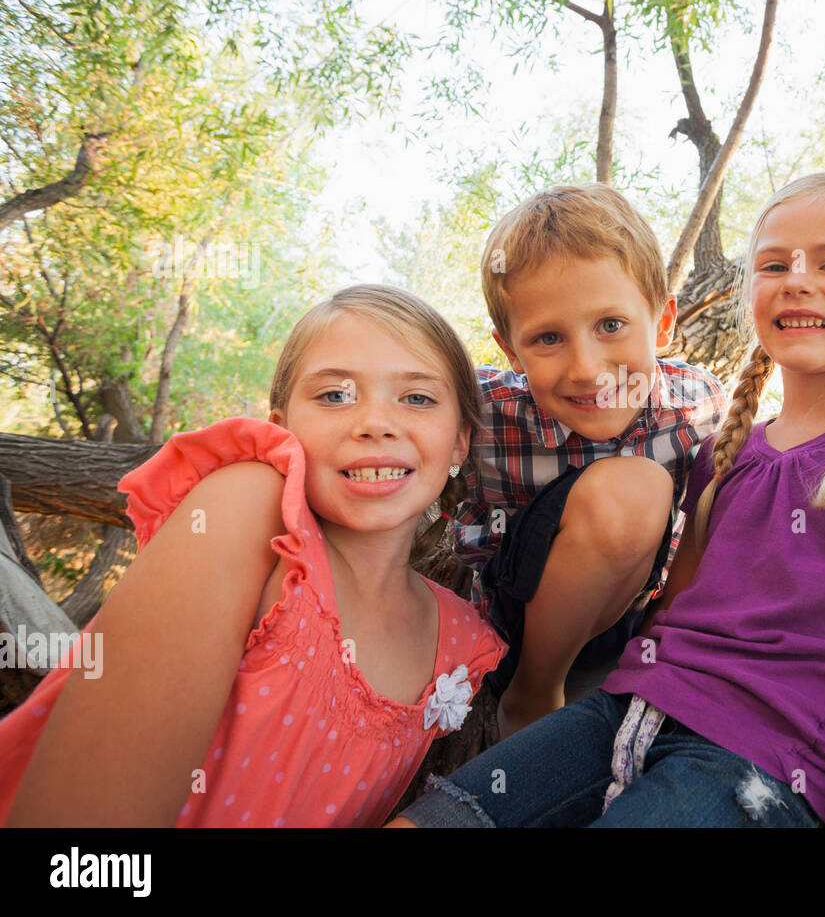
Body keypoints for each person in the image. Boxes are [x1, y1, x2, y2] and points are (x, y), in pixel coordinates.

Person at [392, 172, 825, 827]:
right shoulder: (725, 452)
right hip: (620, 714)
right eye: (774, 265)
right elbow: (671, 618)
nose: (798, 279)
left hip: (756, 763)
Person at [0, 285, 505, 826]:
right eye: (335, 395)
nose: (374, 422)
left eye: (418, 397)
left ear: (459, 441)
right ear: (281, 427)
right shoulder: (250, 515)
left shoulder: (459, 639)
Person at [455, 183, 727, 738]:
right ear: (510, 351)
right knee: (632, 490)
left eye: (611, 325)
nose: (585, 368)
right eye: (548, 338)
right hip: (516, 617)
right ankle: (530, 696)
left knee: (643, 492)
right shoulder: (479, 413)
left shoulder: (698, 406)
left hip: (625, 617)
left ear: (664, 322)